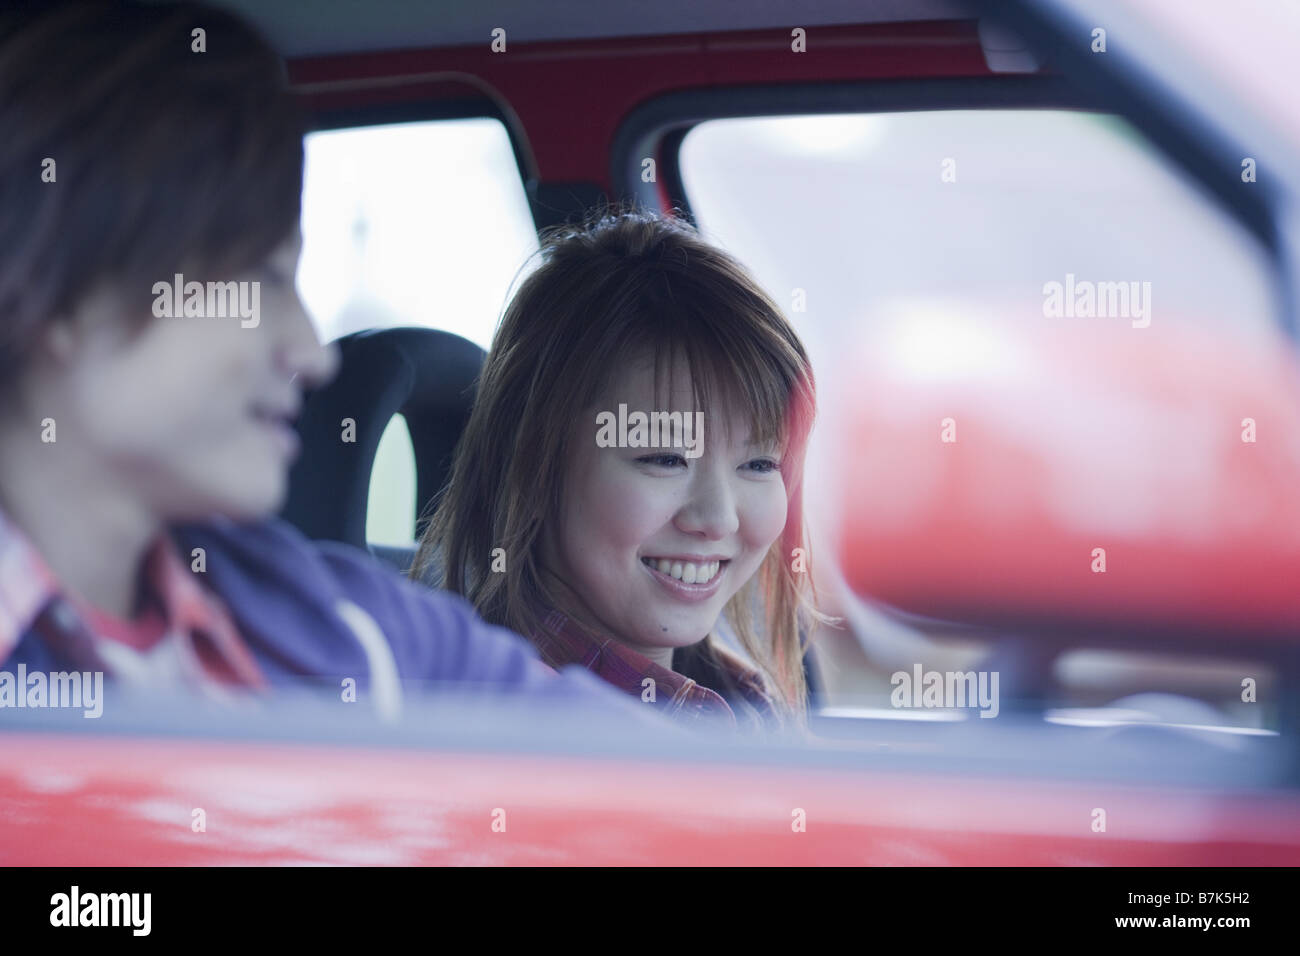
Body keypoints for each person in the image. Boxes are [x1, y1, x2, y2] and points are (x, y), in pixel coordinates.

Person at [0, 0, 665, 726]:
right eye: (258, 279)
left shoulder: (337, 621)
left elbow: (663, 788)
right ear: (59, 295)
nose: (312, 356)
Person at [412, 211, 824, 730]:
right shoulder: (515, 734)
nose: (719, 519)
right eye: (665, 459)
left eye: (760, 463)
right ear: (537, 464)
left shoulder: (738, 702)